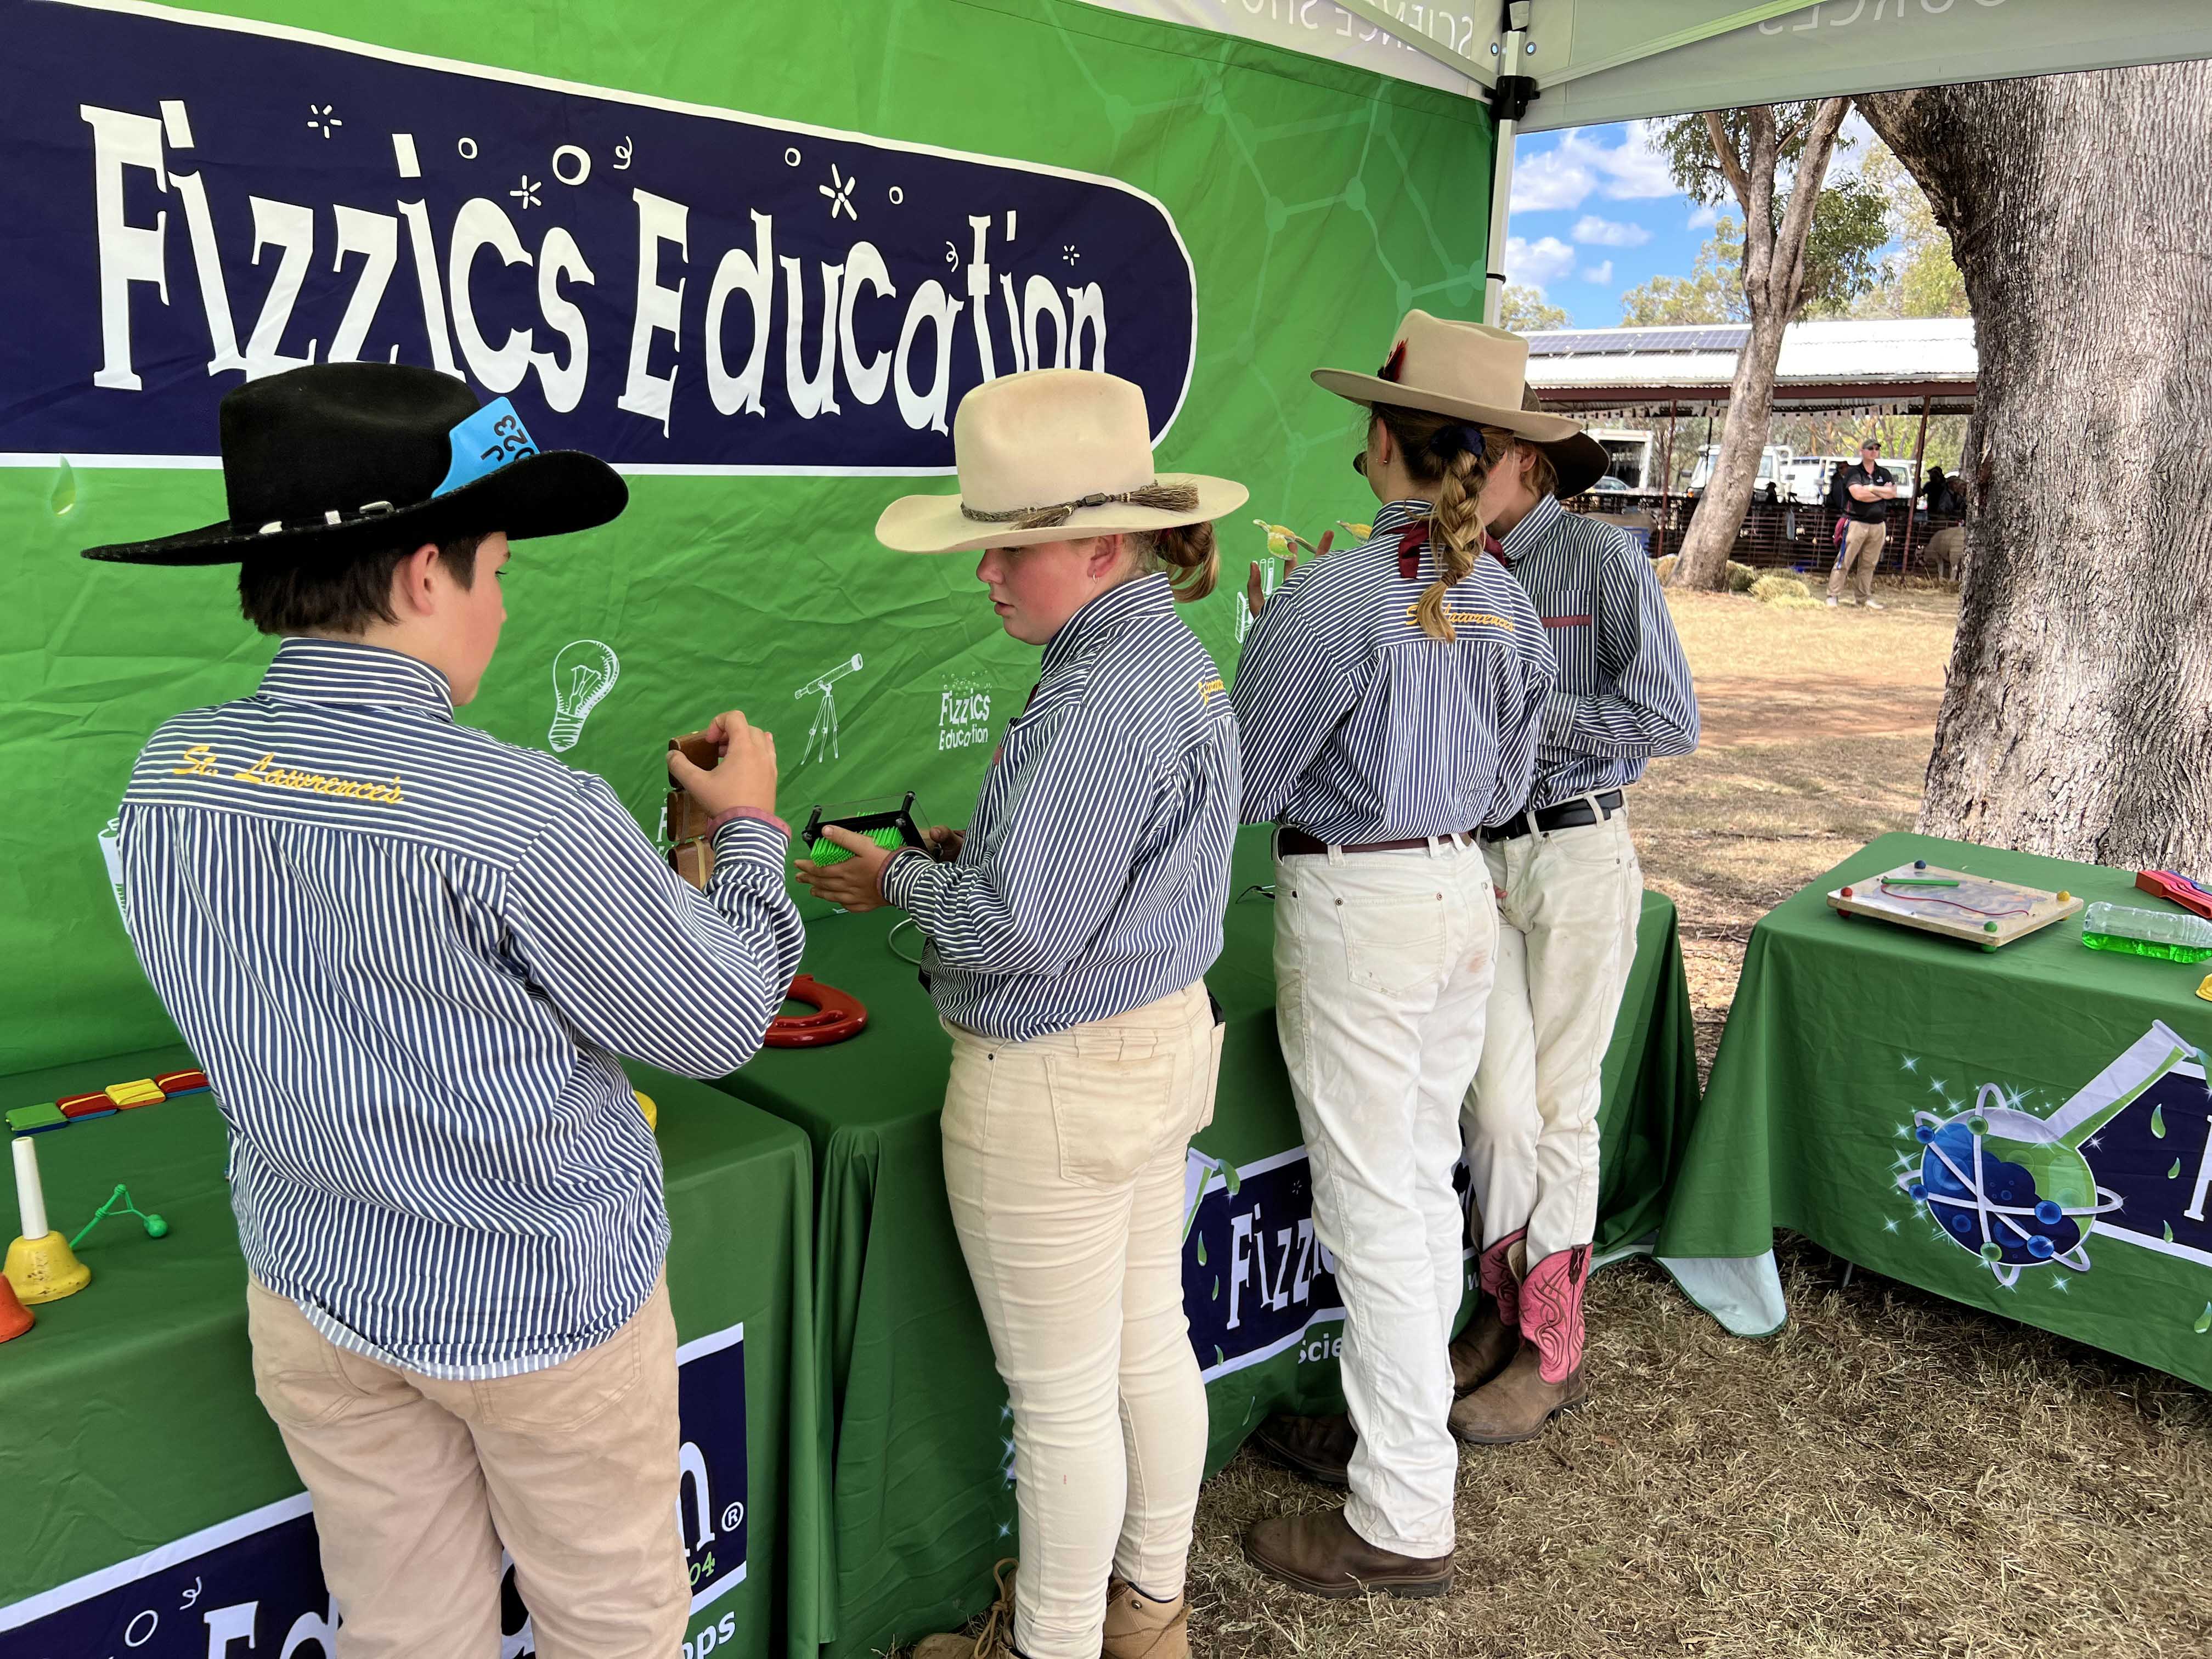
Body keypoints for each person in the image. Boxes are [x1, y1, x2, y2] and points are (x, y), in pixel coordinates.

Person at [91, 363, 806, 1657]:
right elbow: (717, 1022)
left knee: (403, 1629)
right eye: (498, 568)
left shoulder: (170, 775)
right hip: (537, 1312)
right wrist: (747, 830)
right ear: (426, 574)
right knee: (615, 1626)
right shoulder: (521, 814)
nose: (500, 603)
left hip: (318, 1287)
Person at [794, 368, 1246, 1659]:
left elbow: (1024, 929)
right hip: (1156, 1039)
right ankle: (1149, 1611)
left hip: (1055, 1069)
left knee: (1059, 1404)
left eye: (1007, 549)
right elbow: (1090, 877)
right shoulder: (1160, 653)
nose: (986, 575)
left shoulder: (1098, 688)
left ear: (1101, 544)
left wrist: (903, 878)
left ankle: (1049, 1644)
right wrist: (966, 857)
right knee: (1144, 1345)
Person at [1231, 311, 1560, 1599]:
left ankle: (1403, 1514)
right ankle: (1399, 1436)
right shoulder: (1504, 595)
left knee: (1380, 1207)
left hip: (1363, 901)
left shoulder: (1340, 592)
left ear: (1381, 440)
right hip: (1456, 888)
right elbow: (1522, 765)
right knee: (1418, 1191)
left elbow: (1254, 778)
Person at [1445, 381, 1700, 1444]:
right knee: (1495, 1108)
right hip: (1473, 859)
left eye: (1480, 457)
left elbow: (1667, 717)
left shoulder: (1601, 563)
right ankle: (1503, 1306)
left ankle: (1550, 1347)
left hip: (1580, 853)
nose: (1461, 477)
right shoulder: (1440, 563)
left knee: (1562, 1106)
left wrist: (1517, 709)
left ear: (1530, 464)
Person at [1826, 437, 1896, 609]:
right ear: (1862, 452)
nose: (1874, 451)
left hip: (1878, 524)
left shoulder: (1884, 473)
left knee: (1869, 564)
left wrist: (1871, 489)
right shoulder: (1854, 473)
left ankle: (1863, 598)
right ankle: (1833, 595)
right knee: (1845, 560)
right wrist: (1881, 493)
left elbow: (1893, 493)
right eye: (1870, 448)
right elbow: (1858, 495)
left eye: (1876, 448)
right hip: (1856, 522)